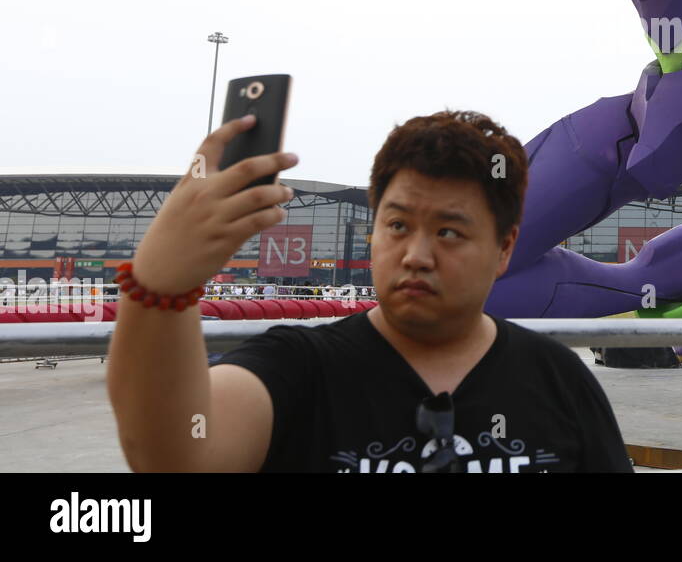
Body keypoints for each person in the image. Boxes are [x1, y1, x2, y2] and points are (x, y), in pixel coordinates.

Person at [107, 109, 632, 473]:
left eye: (449, 232)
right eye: (398, 225)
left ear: (504, 248)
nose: (417, 255)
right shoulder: (297, 371)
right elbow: (175, 455)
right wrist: (158, 287)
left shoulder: (559, 381)